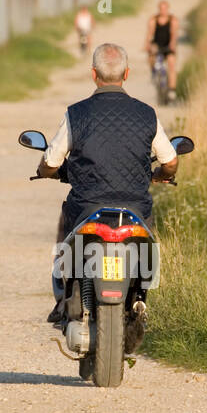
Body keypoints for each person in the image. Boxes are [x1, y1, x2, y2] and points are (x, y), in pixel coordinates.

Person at [36, 43, 178, 322]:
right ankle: (141, 294)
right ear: (126, 74)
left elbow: (51, 164)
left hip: (87, 206)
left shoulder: (76, 114)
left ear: (93, 74)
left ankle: (63, 295)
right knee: (148, 237)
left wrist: (44, 171)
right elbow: (170, 162)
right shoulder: (147, 114)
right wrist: (160, 175)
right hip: (135, 208)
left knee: (65, 224)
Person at [144, 0, 179, 102]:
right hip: (157, 44)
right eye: (161, 9)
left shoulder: (173, 20)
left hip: (168, 45)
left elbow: (174, 34)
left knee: (171, 64)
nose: (163, 11)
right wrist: (147, 45)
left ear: (168, 9)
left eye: (165, 8)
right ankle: (153, 72)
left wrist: (172, 45)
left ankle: (172, 89)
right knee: (151, 57)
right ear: (159, 9)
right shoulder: (153, 19)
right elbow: (150, 34)